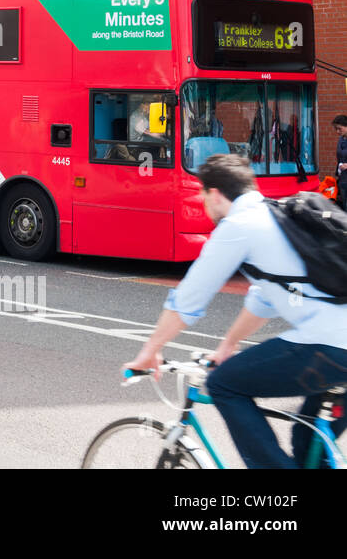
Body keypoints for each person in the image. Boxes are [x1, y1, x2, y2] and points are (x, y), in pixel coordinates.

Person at [125, 154, 347, 468]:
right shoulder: (274, 214)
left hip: (330, 345)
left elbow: (188, 300)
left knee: (224, 385)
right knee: (308, 442)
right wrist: (228, 345)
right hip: (340, 345)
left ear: (215, 194)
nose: (202, 203)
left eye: (202, 195)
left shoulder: (238, 227)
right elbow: (265, 298)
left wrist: (150, 350)